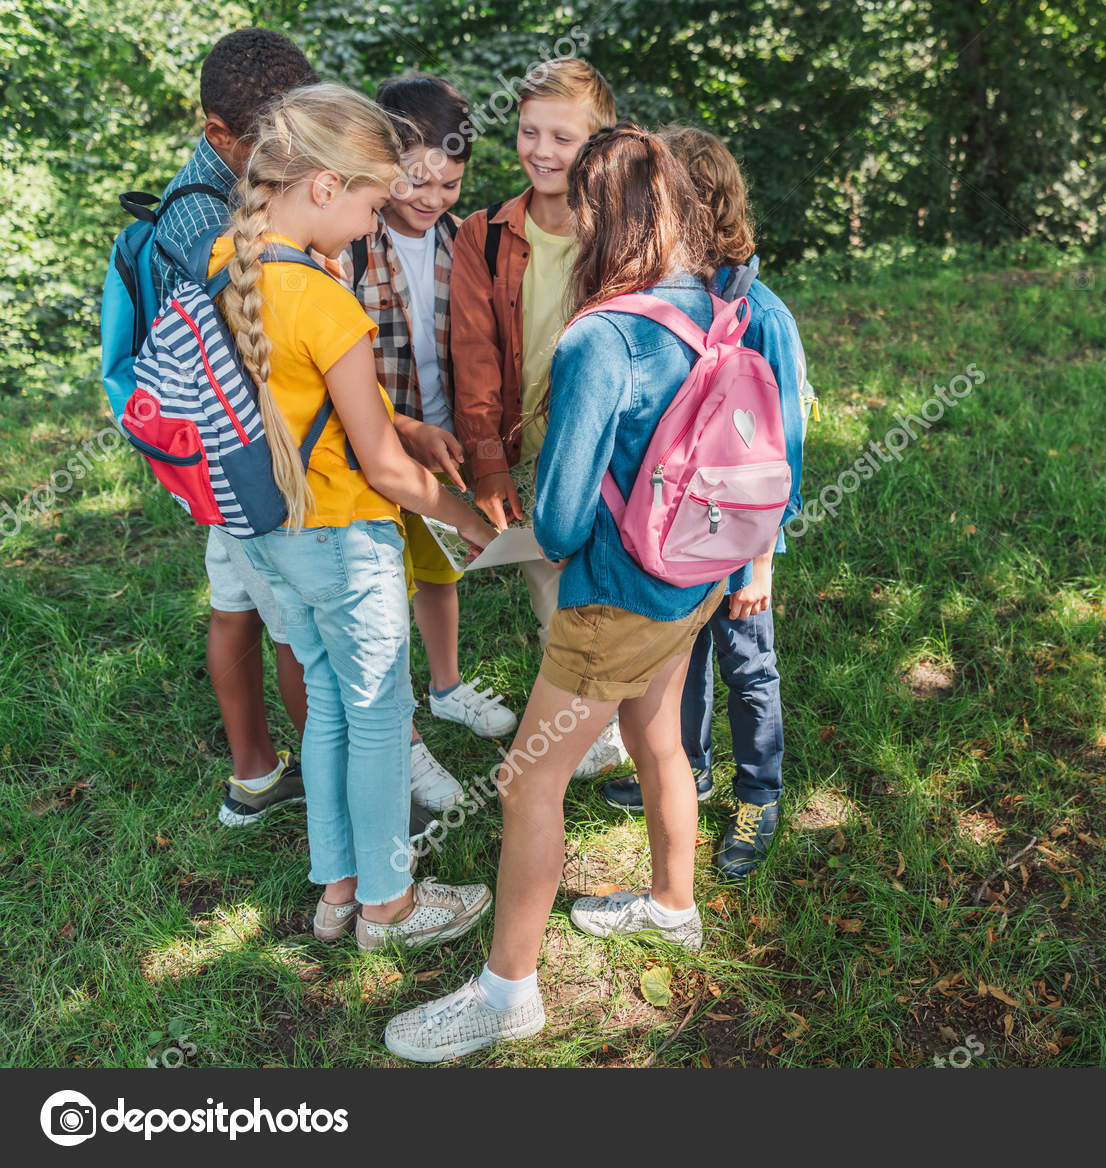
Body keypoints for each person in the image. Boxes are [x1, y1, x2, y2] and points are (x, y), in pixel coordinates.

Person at [385, 125, 727, 1060]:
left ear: (594, 216)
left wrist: (507, 523)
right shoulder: (704, 303)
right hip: (695, 571)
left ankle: (507, 993)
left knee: (526, 780)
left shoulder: (600, 336)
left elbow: (568, 521)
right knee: (659, 735)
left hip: (615, 592)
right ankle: (672, 904)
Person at [211, 83, 501, 949]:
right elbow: (383, 468)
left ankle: (336, 890)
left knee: (331, 708)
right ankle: (390, 906)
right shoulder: (326, 300)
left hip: (264, 536)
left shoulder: (229, 253)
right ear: (327, 186)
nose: (378, 224)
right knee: (377, 715)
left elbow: (304, 397)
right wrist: (476, 526)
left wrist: (401, 420)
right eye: (375, 203)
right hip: (342, 536)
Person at [601, 126, 809, 877]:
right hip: (675, 533)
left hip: (742, 537)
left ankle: (760, 794)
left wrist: (759, 566)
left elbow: (779, 455)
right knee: (679, 659)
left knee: (748, 665)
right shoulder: (662, 306)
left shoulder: (765, 317)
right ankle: (687, 768)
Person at [149, 27, 318, 828]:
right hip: (248, 462)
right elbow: (252, 361)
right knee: (293, 626)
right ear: (220, 133)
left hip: (221, 463)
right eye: (274, 141)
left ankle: (253, 778)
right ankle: (333, 782)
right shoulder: (197, 225)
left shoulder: (229, 183)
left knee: (236, 607)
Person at [341, 75, 521, 814]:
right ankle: (403, 736)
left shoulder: (459, 239)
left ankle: (445, 687)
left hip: (440, 437)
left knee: (436, 568)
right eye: (415, 181)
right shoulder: (352, 242)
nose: (431, 197)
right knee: (381, 592)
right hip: (376, 445)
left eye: (449, 184)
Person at [449, 58, 629, 779]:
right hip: (530, 446)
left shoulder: (622, 229)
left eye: (564, 135)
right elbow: (473, 353)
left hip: (613, 441)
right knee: (551, 585)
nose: (544, 151)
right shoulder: (484, 235)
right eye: (530, 132)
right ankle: (585, 724)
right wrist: (488, 461)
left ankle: (625, 713)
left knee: (614, 579)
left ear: (599, 141)